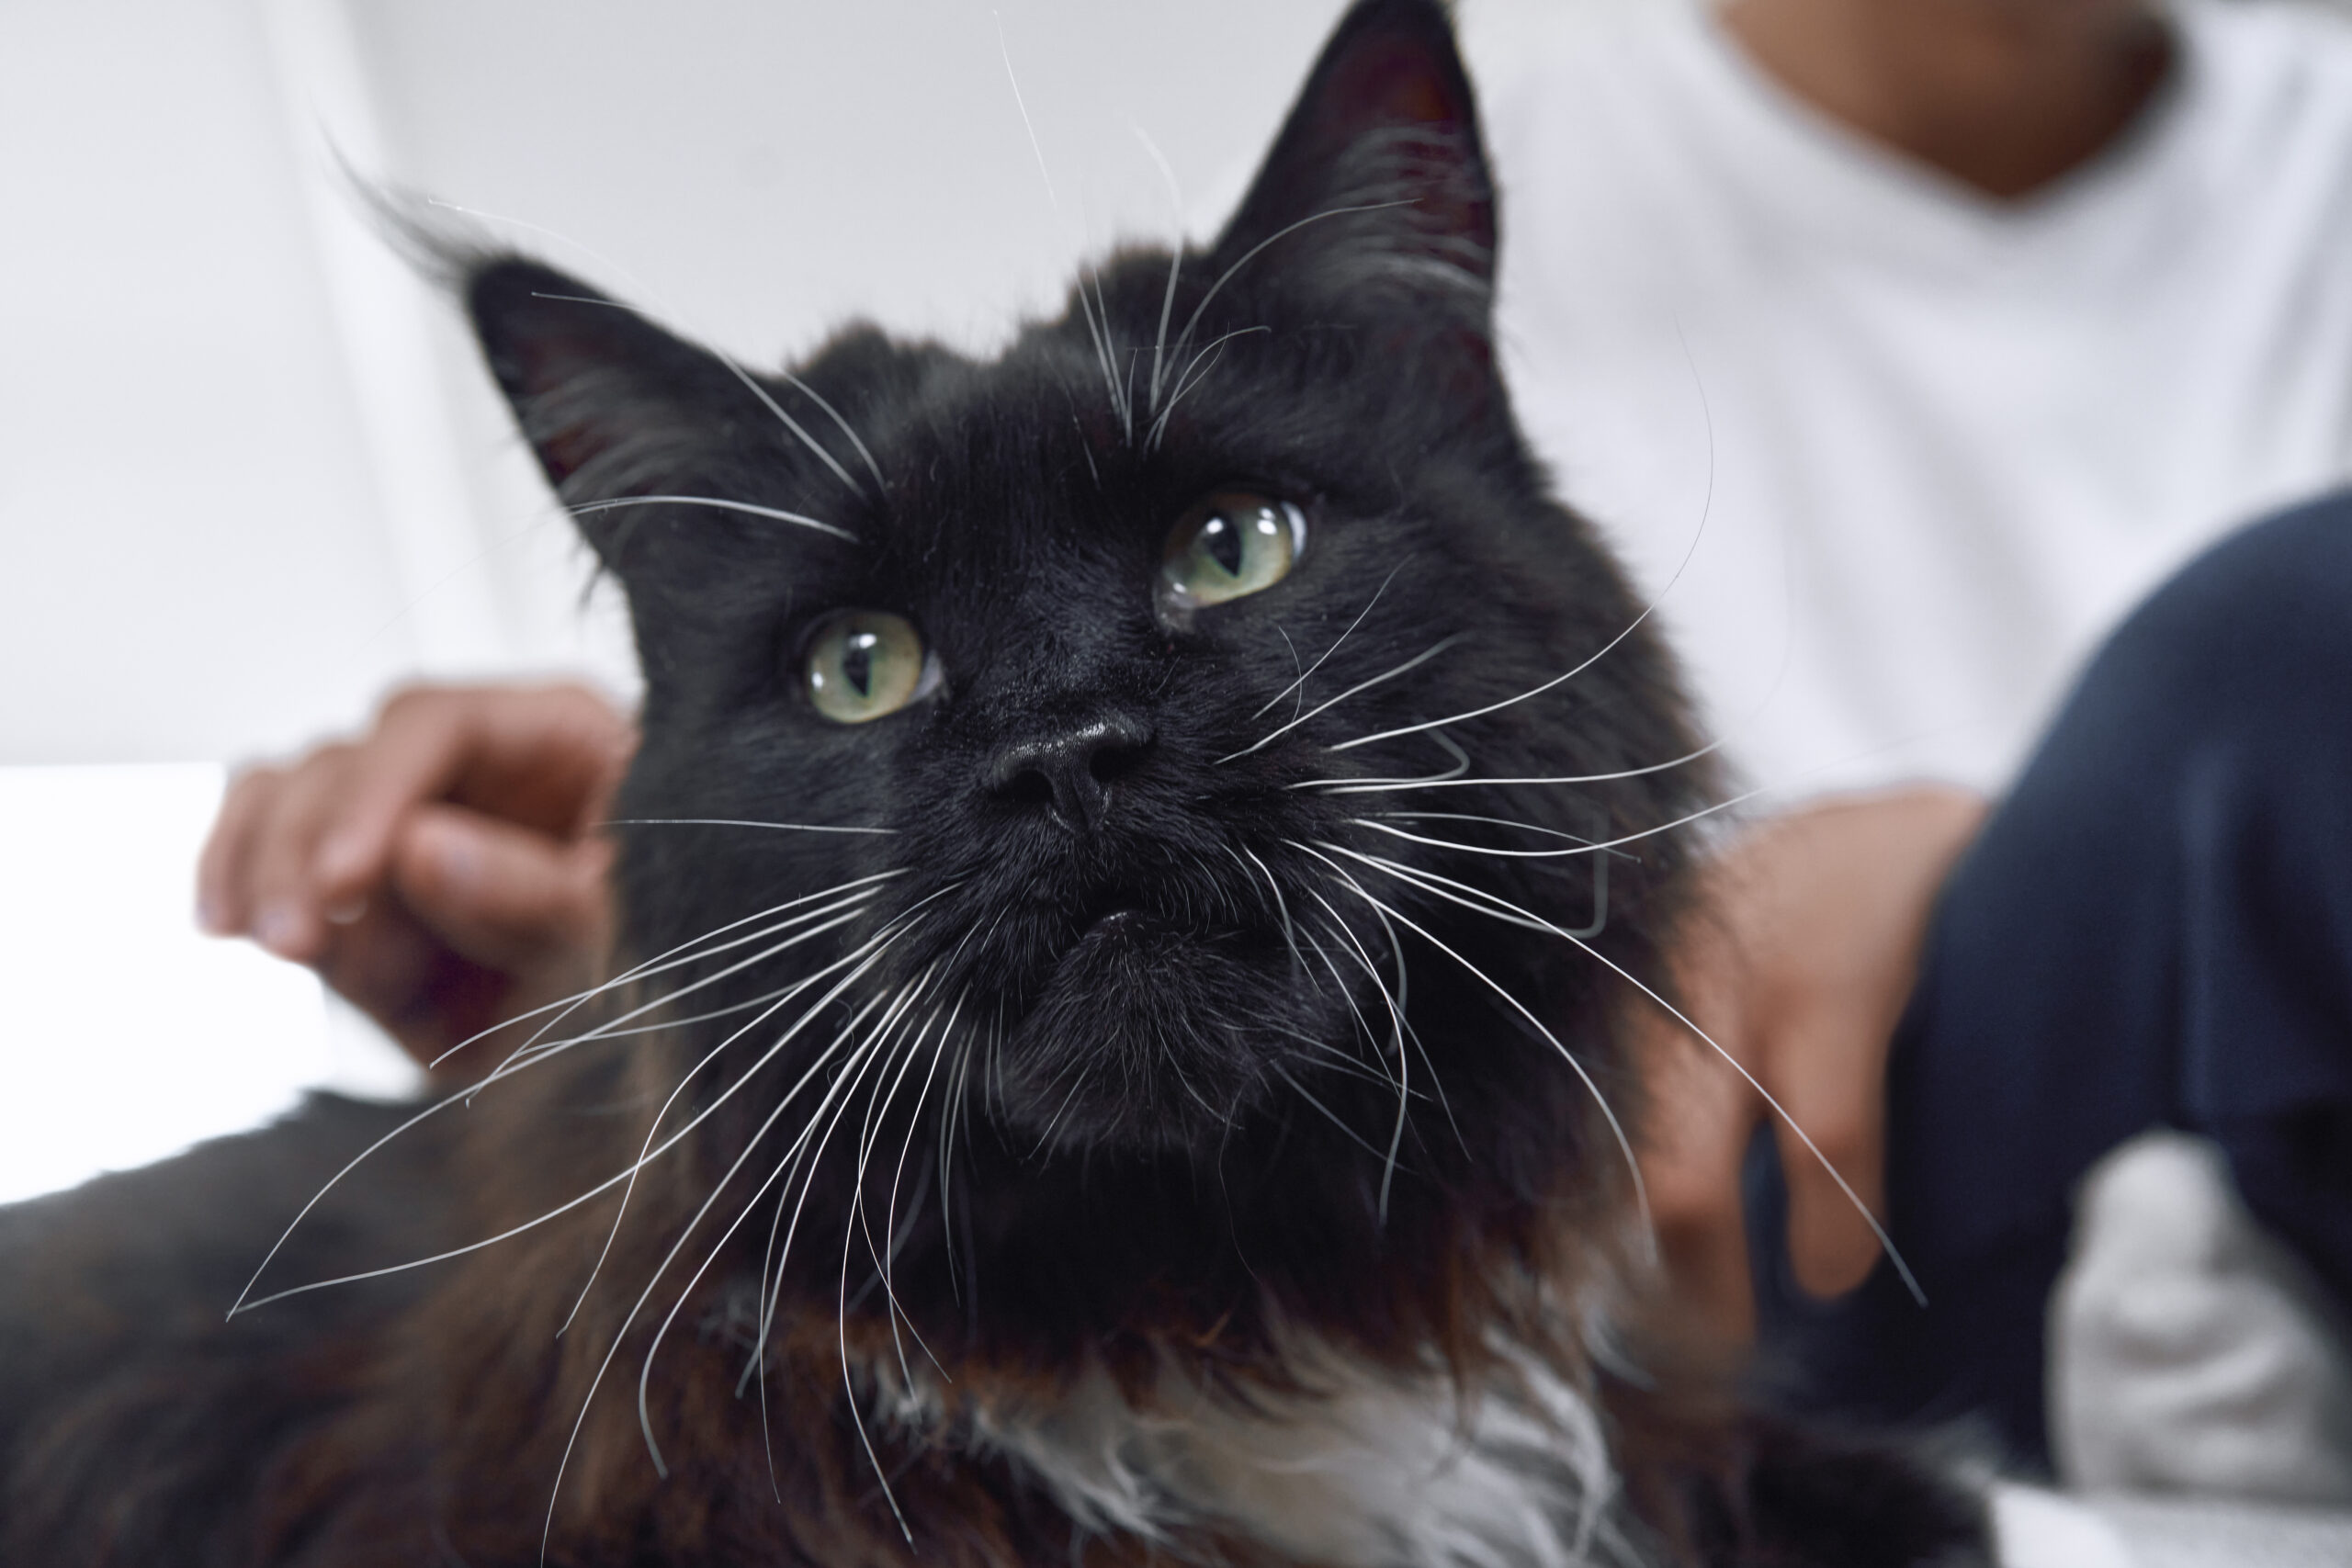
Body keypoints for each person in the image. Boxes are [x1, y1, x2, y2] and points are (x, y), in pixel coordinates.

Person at [198, 0, 2352, 1484]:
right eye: (860, 665)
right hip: (1737, 1276)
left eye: (1221, 551)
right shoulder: (1528, 154)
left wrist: (2051, 851)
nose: (1068, 745)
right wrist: (641, 948)